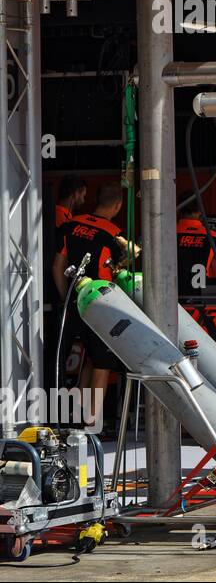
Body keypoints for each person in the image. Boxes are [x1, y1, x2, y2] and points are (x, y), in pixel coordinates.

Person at [52, 183, 129, 430]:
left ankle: (75, 416)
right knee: (103, 364)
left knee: (88, 360)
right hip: (100, 307)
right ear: (118, 205)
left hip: (72, 304)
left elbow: (57, 265)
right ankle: (92, 424)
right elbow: (121, 275)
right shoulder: (116, 235)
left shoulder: (71, 224)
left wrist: (67, 298)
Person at [177, 202, 216, 294]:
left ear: (178, 210)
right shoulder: (213, 235)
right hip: (201, 294)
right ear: (200, 211)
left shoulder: (168, 232)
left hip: (172, 293)